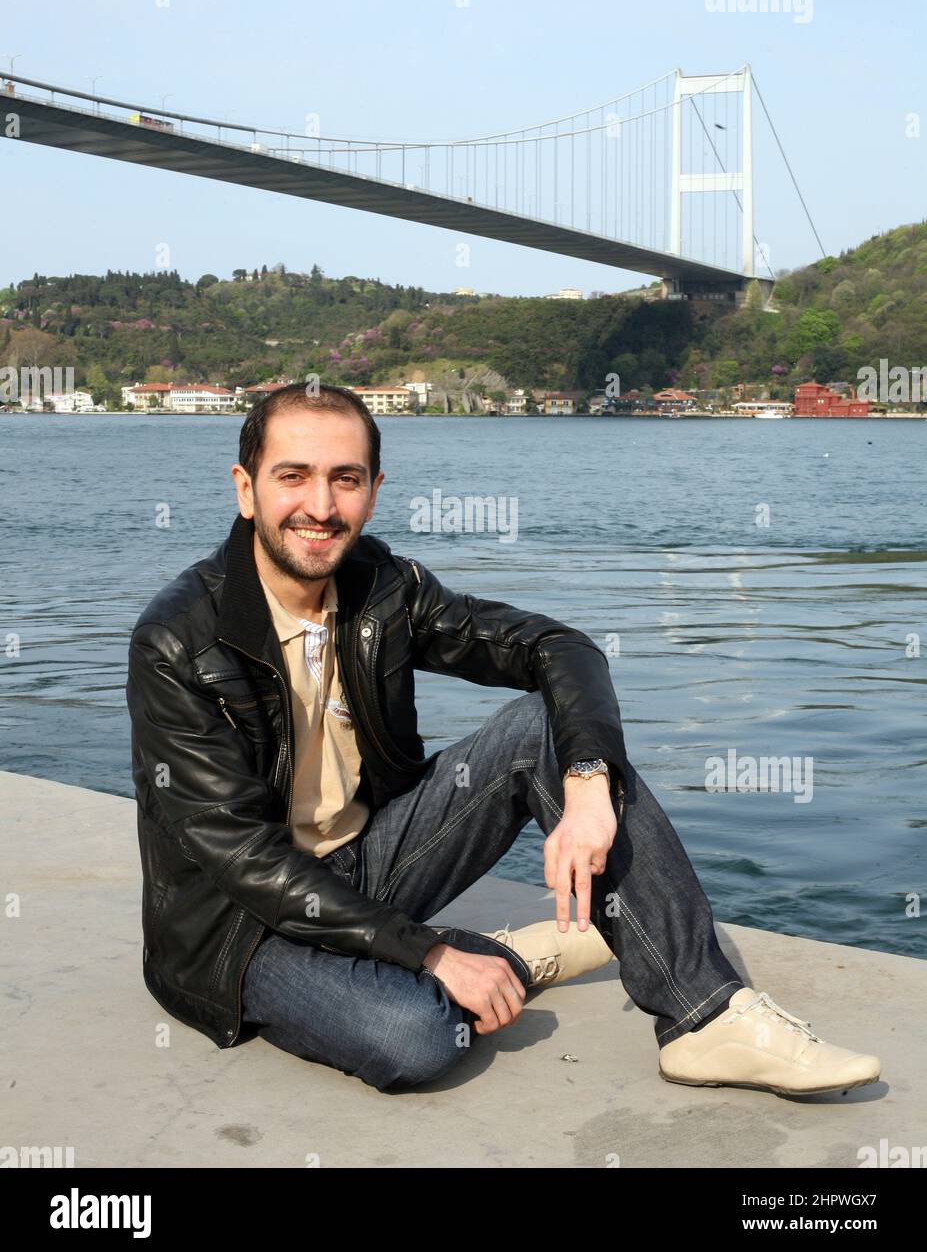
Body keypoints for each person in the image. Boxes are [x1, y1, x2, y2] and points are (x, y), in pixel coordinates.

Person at [126, 382, 881, 1097]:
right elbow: (244, 859)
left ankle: (705, 1018)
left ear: (374, 491)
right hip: (242, 925)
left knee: (539, 732)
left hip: (365, 864)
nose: (319, 506)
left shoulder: (382, 586)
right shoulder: (177, 641)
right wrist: (431, 951)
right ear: (245, 486)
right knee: (414, 1037)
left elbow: (556, 647)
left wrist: (586, 777)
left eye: (345, 479)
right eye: (293, 476)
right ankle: (511, 956)